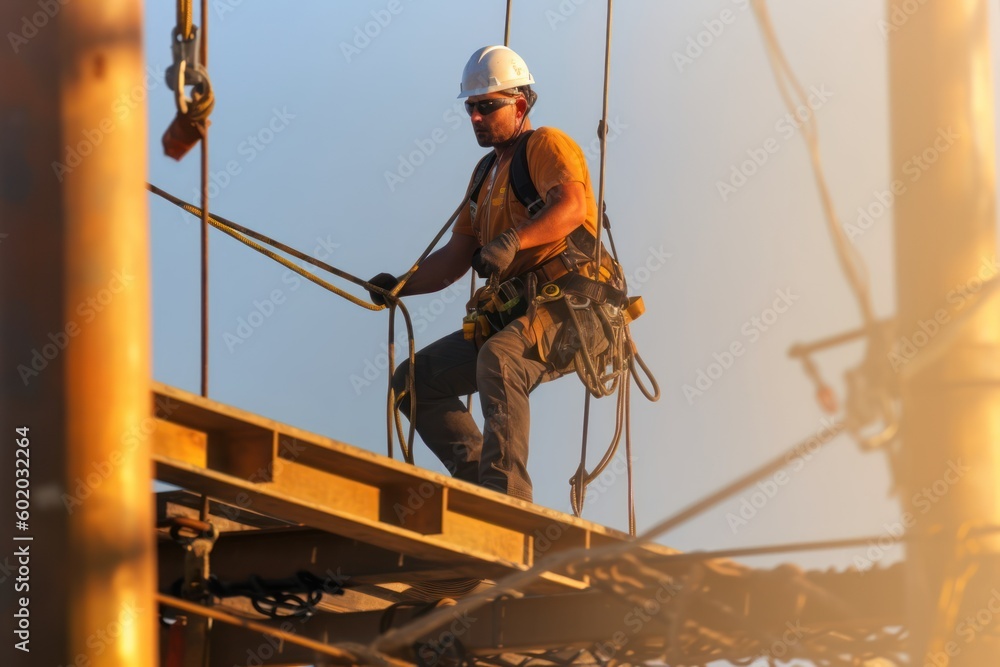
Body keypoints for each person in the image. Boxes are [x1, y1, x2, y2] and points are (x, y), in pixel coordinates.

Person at [367, 45, 619, 503]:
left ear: (519, 104)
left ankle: (509, 498)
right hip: (519, 314)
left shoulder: (545, 145)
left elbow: (570, 207)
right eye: (470, 108)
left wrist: (513, 241)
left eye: (486, 106)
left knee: (500, 359)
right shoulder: (484, 174)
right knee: (414, 382)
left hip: (573, 308)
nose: (476, 117)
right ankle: (479, 491)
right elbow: (455, 258)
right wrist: (402, 285)